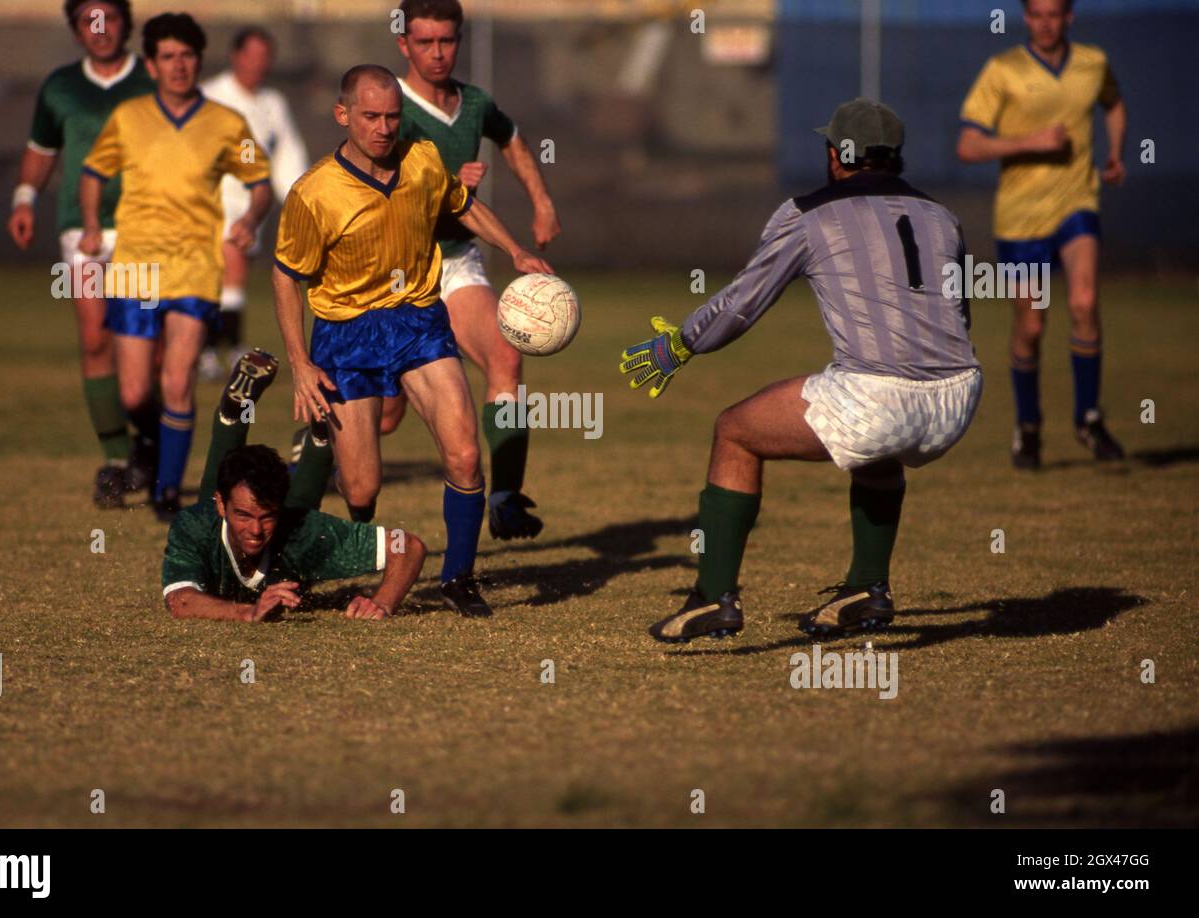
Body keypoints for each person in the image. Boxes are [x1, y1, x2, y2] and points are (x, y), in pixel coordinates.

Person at [623, 99, 983, 643]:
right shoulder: (942, 216)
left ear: (839, 154)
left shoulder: (809, 213)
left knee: (735, 432)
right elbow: (961, 313)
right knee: (880, 450)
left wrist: (681, 343)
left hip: (878, 397)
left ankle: (712, 597)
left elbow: (744, 302)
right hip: (959, 396)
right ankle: (868, 588)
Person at [271, 65, 552, 618]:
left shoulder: (421, 158)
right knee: (360, 490)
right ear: (343, 115)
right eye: (370, 116)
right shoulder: (314, 193)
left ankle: (459, 578)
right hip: (346, 335)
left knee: (466, 453)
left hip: (417, 321)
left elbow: (462, 204)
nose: (383, 128)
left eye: (392, 116)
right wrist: (300, 363)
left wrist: (515, 250)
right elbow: (286, 275)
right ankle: (332, 551)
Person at [79, 12, 273, 521]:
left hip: (194, 265)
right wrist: (92, 223)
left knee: (179, 380)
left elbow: (259, 183)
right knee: (135, 390)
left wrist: (252, 218)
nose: (179, 65)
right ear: (151, 63)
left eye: (187, 55)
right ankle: (150, 444)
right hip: (135, 265)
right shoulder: (128, 118)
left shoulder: (228, 123)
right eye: (168, 56)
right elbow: (94, 173)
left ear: (199, 61)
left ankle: (167, 490)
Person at [379, 0, 562, 540]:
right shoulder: (389, 107)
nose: (437, 53)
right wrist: (445, 184)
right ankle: (312, 451)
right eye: (425, 42)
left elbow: (512, 139)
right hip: (395, 272)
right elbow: (375, 195)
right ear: (403, 44)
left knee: (506, 351)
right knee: (385, 418)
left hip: (457, 262)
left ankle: (505, 497)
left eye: (448, 41)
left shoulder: (475, 103)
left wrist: (542, 202)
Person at [957, 0, 1127, 469]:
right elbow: (967, 144)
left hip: (1077, 202)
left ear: (1069, 17)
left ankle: (1089, 418)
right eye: (1036, 14)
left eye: (1054, 14)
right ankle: (1028, 426)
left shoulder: (1093, 63)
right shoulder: (1003, 69)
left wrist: (1116, 152)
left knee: (1084, 302)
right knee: (1031, 326)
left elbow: (1112, 103)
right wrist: (1028, 142)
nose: (1045, 22)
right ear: (1025, 18)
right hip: (1021, 216)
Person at [7, 0, 154, 508]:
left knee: (143, 348)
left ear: (125, 25)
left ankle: (153, 447)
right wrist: (24, 199)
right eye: (88, 20)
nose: (100, 29)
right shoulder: (60, 87)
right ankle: (116, 460)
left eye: (109, 18)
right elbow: (41, 149)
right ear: (75, 30)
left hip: (147, 233)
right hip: (82, 233)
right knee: (95, 339)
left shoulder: (153, 77)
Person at [162, 350, 427, 622]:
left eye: (267, 517)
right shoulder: (192, 527)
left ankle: (249, 419)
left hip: (290, 522)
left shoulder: (303, 530)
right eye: (244, 515)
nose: (255, 530)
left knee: (296, 518)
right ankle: (316, 440)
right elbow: (180, 601)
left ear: (279, 508)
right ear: (222, 505)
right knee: (232, 496)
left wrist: (382, 602)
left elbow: (408, 546)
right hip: (219, 517)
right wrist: (249, 612)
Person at [199, 26, 310, 379]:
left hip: (252, 206)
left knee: (231, 276)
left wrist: (302, 203)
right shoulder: (211, 96)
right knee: (224, 269)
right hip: (210, 202)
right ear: (235, 56)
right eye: (252, 55)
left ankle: (214, 348)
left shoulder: (272, 104)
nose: (259, 64)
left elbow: (287, 157)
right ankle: (222, 349)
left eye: (266, 57)